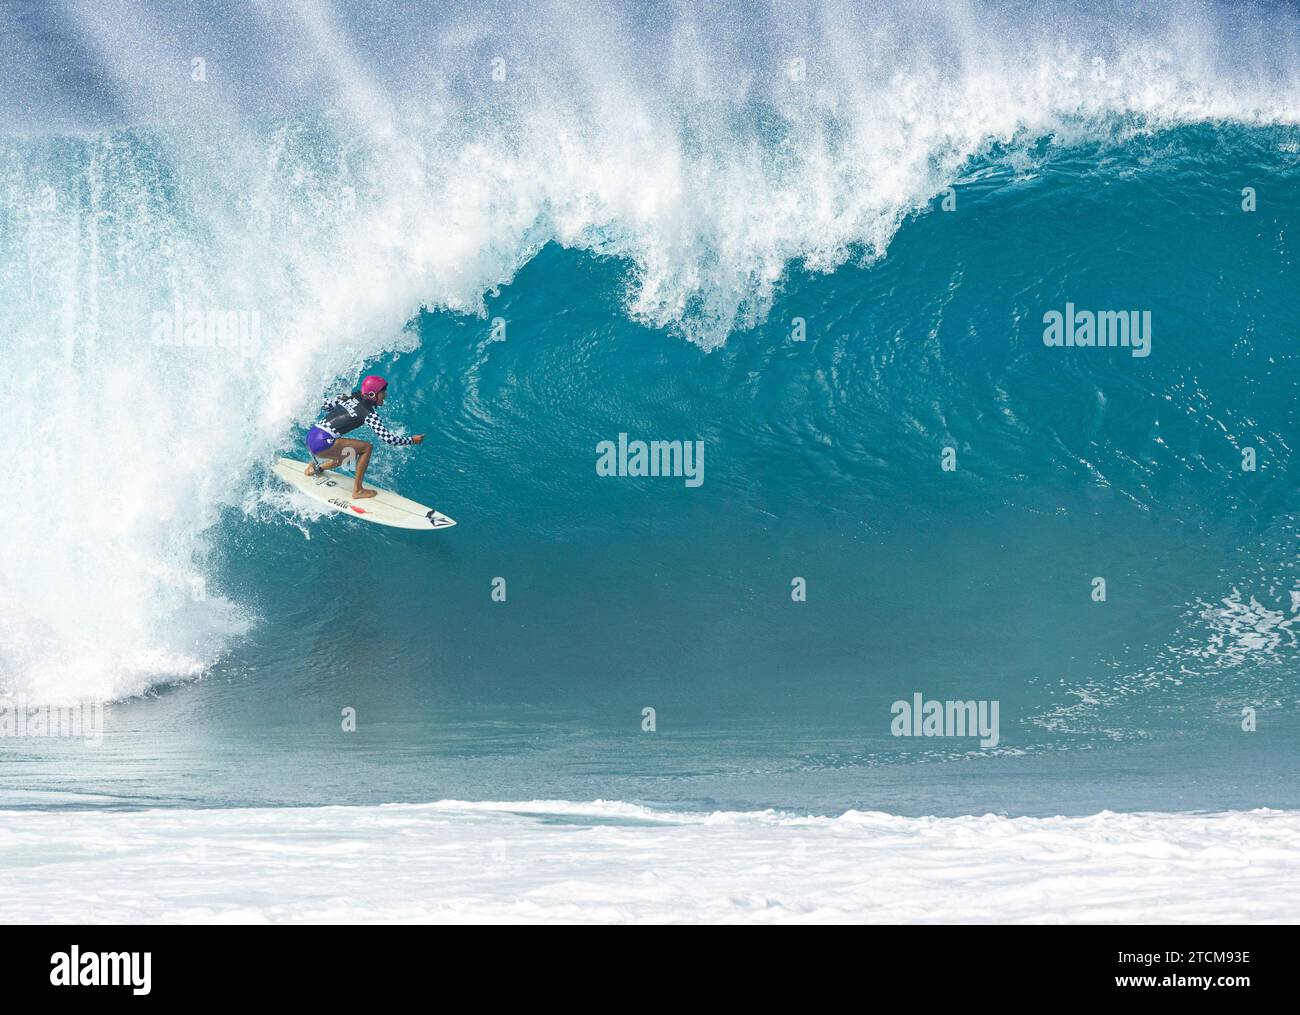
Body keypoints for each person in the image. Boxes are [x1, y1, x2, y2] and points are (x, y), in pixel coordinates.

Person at [304, 375, 424, 499]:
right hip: (322, 442)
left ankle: (315, 468)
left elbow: (326, 405)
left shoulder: (347, 398)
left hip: (311, 436)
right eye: (382, 393)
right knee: (366, 448)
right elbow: (388, 438)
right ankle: (358, 491)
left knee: (347, 455)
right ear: (372, 395)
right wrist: (411, 440)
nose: (385, 396)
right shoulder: (369, 414)